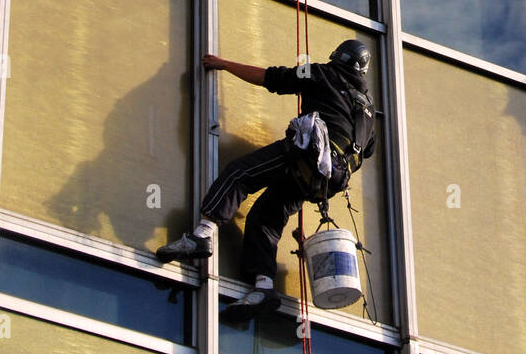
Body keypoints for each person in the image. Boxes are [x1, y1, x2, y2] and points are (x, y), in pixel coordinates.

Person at [157, 39, 377, 318]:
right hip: (325, 180)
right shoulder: (368, 108)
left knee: (240, 173)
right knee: (266, 217)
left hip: (307, 157)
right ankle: (263, 286)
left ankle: (202, 236)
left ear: (338, 58)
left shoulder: (322, 73)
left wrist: (223, 65)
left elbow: (271, 78)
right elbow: (368, 149)